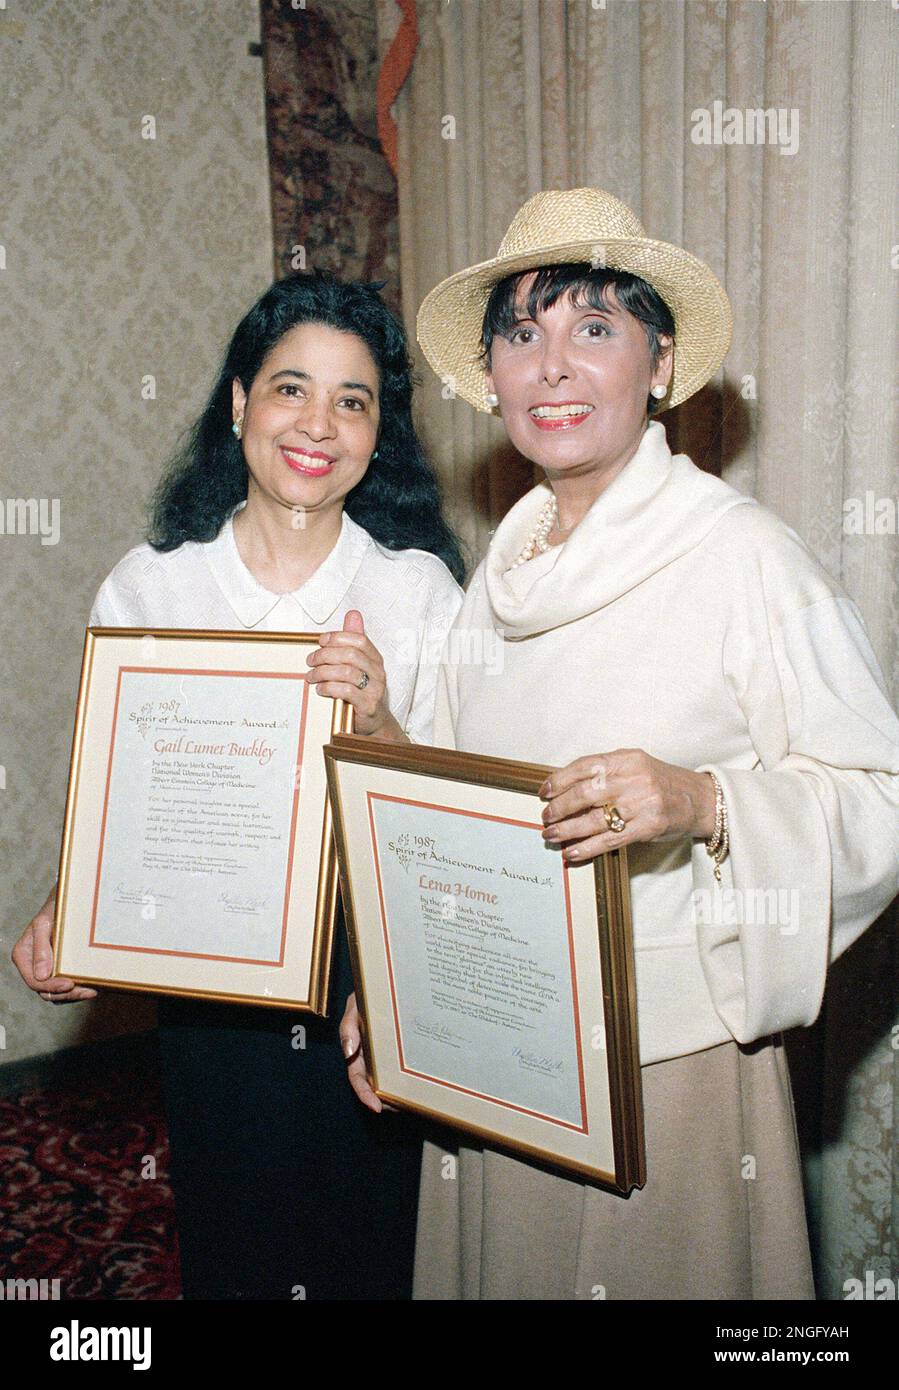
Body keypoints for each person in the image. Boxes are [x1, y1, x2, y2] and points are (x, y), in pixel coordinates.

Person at [341, 187, 899, 1299]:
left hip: (671, 1072)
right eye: (521, 333)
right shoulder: (488, 584)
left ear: (657, 364)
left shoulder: (742, 558)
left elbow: (879, 794)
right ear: (489, 377)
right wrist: (389, 988)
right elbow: (443, 819)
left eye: (592, 328)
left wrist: (703, 802)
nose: (551, 366)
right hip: (491, 1043)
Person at [13, 270, 465, 1300]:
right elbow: (121, 790)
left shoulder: (413, 589)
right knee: (235, 1231)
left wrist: (382, 722)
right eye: (289, 388)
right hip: (212, 971)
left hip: (369, 970)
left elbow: (452, 823)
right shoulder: (151, 584)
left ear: (378, 430)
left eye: (352, 400)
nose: (318, 423)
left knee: (371, 1240)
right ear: (237, 403)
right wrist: (70, 903)